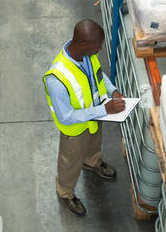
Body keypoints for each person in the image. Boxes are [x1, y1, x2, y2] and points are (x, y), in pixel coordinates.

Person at [43, 20, 124, 217]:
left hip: (94, 118)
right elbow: (67, 116)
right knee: (70, 162)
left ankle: (92, 162)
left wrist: (112, 91)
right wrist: (103, 110)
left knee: (94, 145)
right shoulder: (57, 78)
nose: (100, 49)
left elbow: (98, 74)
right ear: (81, 44)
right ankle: (65, 192)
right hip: (75, 131)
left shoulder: (87, 55)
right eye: (97, 45)